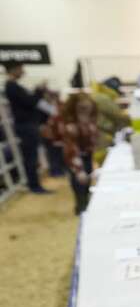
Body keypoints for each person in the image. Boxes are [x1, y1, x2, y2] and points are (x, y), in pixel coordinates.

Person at [42, 92, 99, 214]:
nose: (86, 111)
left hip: (85, 152)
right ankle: (81, 206)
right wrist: (78, 169)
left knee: (87, 177)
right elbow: (71, 148)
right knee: (78, 178)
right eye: (83, 108)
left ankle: (85, 203)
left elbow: (93, 138)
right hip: (71, 152)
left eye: (89, 108)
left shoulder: (89, 117)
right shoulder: (68, 122)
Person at [4, 61, 53, 193]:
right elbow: (30, 102)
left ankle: (34, 184)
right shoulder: (12, 86)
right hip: (26, 126)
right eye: (20, 69)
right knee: (30, 157)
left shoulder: (13, 86)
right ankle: (34, 186)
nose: (23, 72)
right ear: (13, 70)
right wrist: (39, 90)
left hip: (27, 125)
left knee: (31, 156)